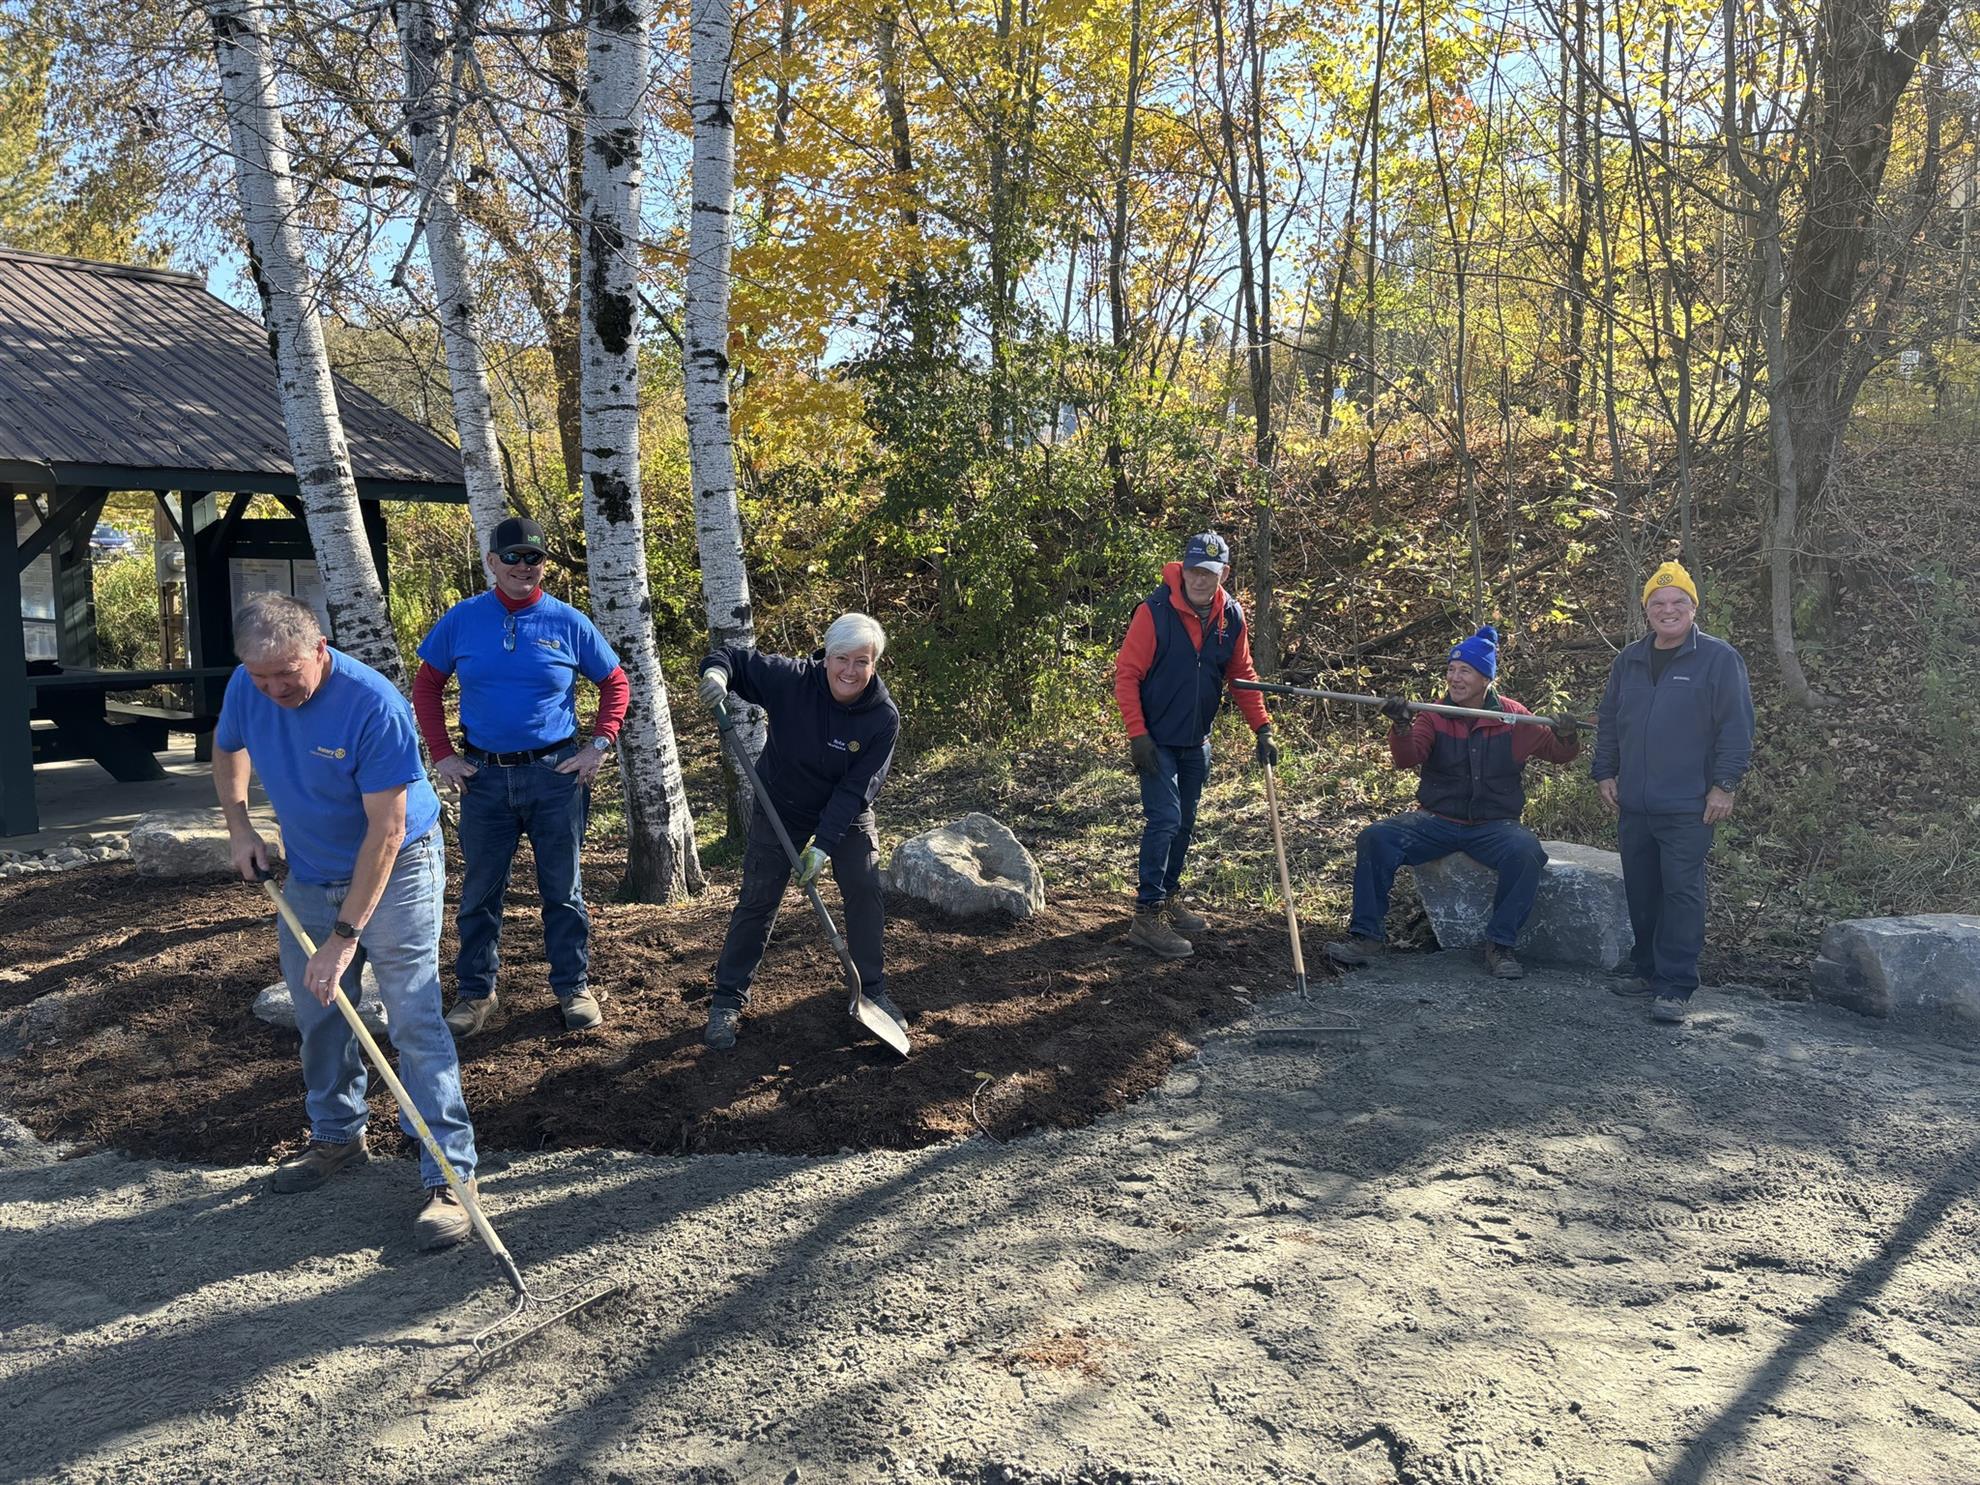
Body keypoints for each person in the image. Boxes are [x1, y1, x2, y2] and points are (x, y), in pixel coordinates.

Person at [214, 592, 480, 1250]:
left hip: (398, 865)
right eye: (261, 677)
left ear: (320, 651)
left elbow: (386, 833)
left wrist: (342, 937)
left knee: (412, 1014)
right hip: (308, 869)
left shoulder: (372, 704)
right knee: (318, 1007)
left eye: (288, 674)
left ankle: (451, 1176)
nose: (274, 689)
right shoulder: (249, 684)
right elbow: (228, 748)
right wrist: (241, 825)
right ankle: (337, 1138)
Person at [412, 516, 629, 1035]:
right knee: (481, 892)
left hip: (556, 777)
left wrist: (598, 745)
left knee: (564, 891)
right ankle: (475, 994)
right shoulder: (463, 619)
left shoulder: (568, 622)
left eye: (533, 558)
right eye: (512, 557)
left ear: (543, 566)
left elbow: (615, 683)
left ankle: (573, 987)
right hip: (484, 778)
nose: (523, 567)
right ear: (491, 562)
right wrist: (442, 754)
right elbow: (426, 687)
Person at [1324, 625, 1583, 979]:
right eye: (1451, 670)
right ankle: (1366, 936)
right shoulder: (1433, 714)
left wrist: (1566, 735)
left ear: (1486, 678)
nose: (1455, 678)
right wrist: (1401, 726)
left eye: (1465, 671)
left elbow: (1558, 754)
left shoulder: (1513, 717)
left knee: (1526, 852)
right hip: (1436, 822)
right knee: (1376, 837)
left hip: (1494, 826)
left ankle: (1500, 944)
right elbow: (1407, 757)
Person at [695, 614, 904, 1051]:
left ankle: (872, 988)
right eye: (841, 659)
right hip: (780, 806)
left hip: (845, 813)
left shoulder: (882, 717)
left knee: (864, 888)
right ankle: (727, 1000)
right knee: (758, 897)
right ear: (825, 656)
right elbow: (732, 658)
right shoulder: (791, 681)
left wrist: (823, 847)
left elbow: (855, 790)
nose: (849, 671)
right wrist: (716, 674)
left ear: (875, 663)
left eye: (861, 662)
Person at [1591, 561, 1754, 1024]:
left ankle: (1676, 985)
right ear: (1647, 611)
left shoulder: (1719, 659)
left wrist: (1724, 785)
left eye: (1677, 602)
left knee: (1681, 892)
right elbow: (1609, 722)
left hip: (1688, 805)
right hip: (1635, 803)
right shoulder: (1629, 660)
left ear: (1693, 607)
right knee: (1642, 890)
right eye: (1658, 604)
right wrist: (1605, 771)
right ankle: (1646, 970)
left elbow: (1737, 728)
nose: (1668, 610)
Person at [1113, 530, 1277, 960]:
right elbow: (1127, 675)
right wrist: (1138, 735)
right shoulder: (1155, 613)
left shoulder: (1231, 617)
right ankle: (1146, 916)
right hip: (1156, 741)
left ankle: (1167, 898)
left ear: (1223, 572)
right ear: (1182, 568)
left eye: (1208, 572)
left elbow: (1242, 676)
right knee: (1164, 819)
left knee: (1184, 822)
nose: (1199, 580)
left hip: (1196, 741)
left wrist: (1262, 727)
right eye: (1192, 570)